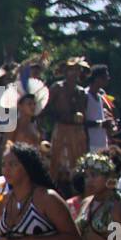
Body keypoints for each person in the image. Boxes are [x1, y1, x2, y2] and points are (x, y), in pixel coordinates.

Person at [44, 57, 90, 190]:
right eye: (71, 70)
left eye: (77, 70)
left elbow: (83, 114)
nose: (74, 73)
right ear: (65, 72)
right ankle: (53, 189)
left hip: (77, 131)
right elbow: (46, 109)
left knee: (78, 163)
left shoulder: (81, 92)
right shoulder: (57, 88)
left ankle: (78, 190)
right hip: (61, 129)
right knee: (56, 163)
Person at [84, 65, 116, 153]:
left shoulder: (100, 97)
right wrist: (101, 124)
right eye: (105, 77)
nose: (108, 79)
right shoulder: (85, 96)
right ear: (97, 79)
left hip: (102, 142)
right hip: (89, 143)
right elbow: (81, 122)